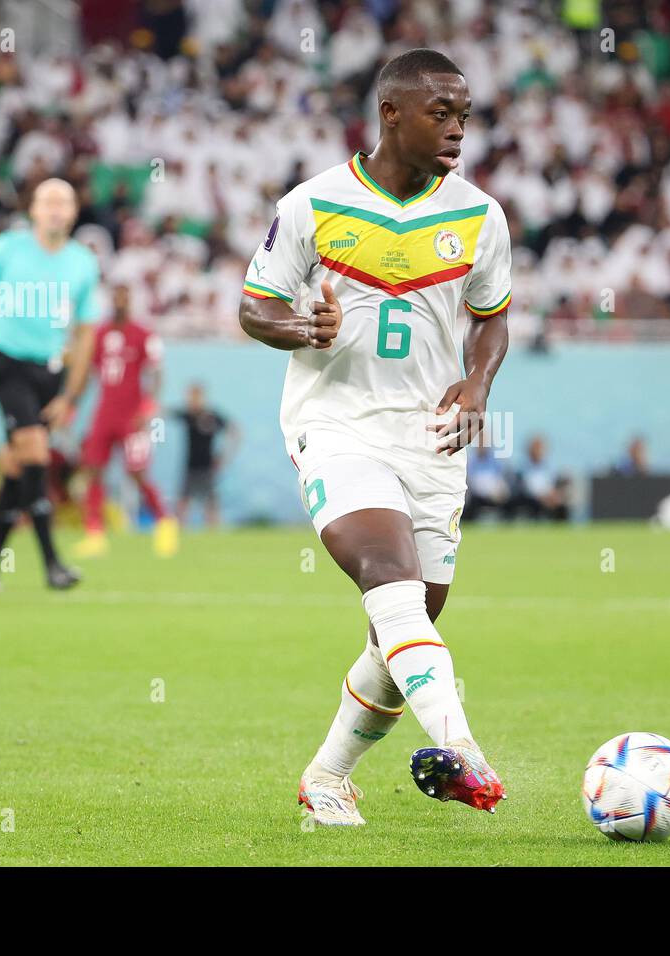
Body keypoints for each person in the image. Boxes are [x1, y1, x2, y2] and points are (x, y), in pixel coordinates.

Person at [239, 48, 513, 826]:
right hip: (336, 427)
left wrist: (478, 382)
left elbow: (493, 317)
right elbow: (254, 308)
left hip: (430, 440)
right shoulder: (313, 205)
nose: (458, 129)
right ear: (391, 113)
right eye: (441, 113)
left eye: (464, 114)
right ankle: (467, 751)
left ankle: (328, 776)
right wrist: (302, 326)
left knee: (407, 625)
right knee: (389, 578)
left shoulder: (479, 216)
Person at [0, 179, 100, 591]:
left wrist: (69, 395)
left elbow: (85, 335)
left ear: (74, 212)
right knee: (35, 450)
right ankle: (53, 565)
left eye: (64, 201)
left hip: (49, 373)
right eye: (47, 201)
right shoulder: (4, 249)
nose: (55, 209)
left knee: (15, 468)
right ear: (32, 210)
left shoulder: (84, 262)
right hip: (7, 361)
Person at [75, 283, 178, 557]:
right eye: (116, 295)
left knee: (137, 472)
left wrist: (148, 407)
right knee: (93, 469)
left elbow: (156, 373)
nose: (120, 300)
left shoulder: (142, 334)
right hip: (104, 412)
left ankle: (165, 522)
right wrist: (72, 403)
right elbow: (85, 371)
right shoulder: (99, 334)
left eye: (125, 295)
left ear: (130, 299)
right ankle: (95, 533)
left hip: (132, 415)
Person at [172, 383, 238, 528]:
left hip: (208, 468)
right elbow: (166, 413)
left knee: (211, 505)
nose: (192, 400)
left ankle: (214, 535)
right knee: (182, 504)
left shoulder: (212, 416)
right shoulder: (188, 415)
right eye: (190, 396)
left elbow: (235, 431)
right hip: (190, 467)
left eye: (196, 396)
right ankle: (179, 534)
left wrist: (225, 456)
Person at [508, 435, 570, 521]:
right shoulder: (523, 468)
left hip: (548, 497)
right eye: (535, 448)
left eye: (540, 449)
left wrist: (554, 495)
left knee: (561, 506)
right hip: (530, 498)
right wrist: (542, 496)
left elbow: (552, 484)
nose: (538, 451)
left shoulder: (548, 467)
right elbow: (526, 488)